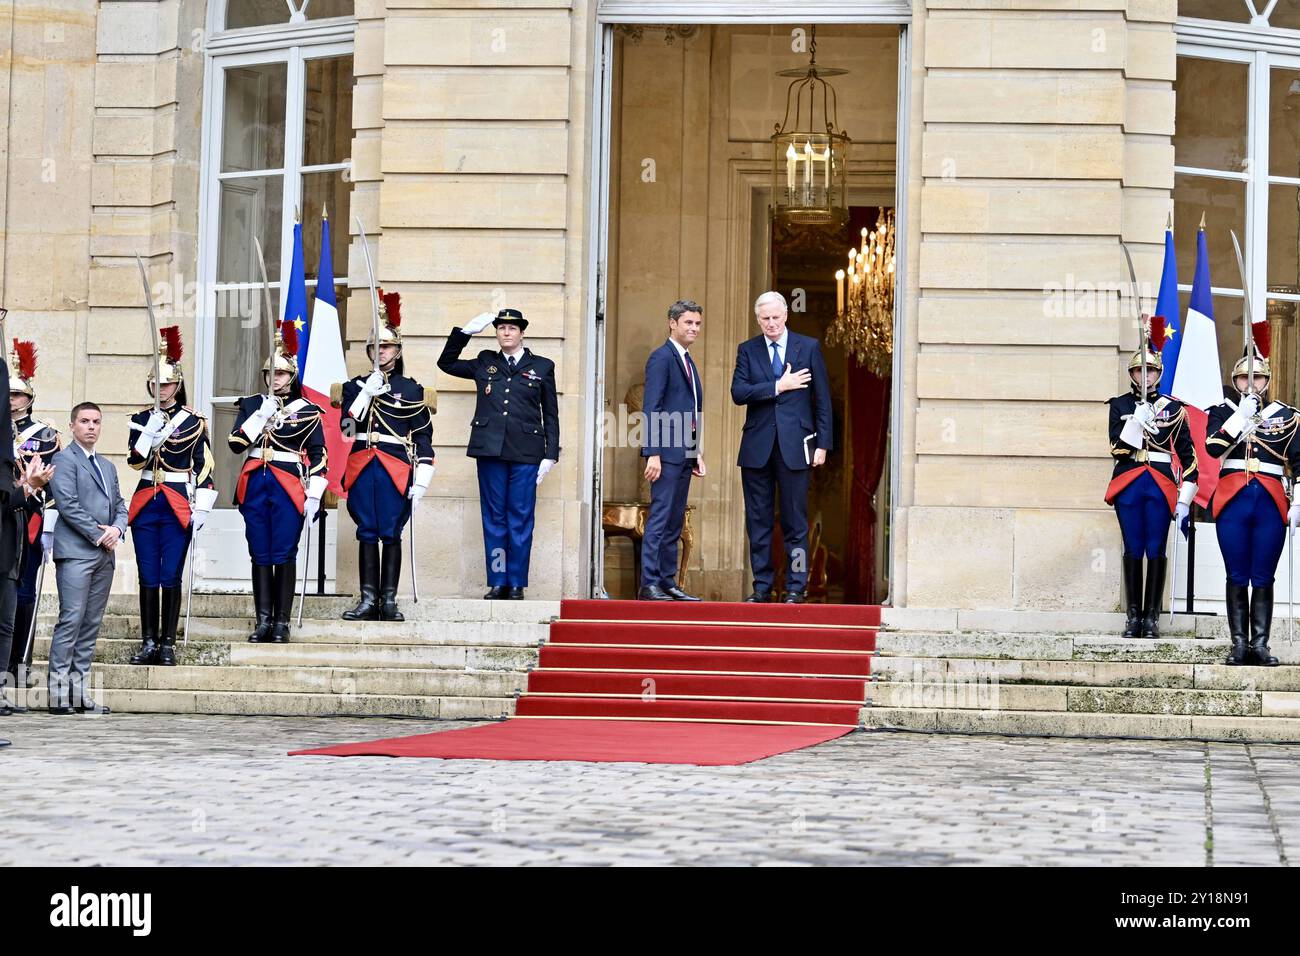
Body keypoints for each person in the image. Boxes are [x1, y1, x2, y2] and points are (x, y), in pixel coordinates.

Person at [438, 308, 559, 599]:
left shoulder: (541, 366)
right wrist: (463, 333)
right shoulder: (485, 362)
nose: (506, 332)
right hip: (490, 450)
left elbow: (550, 413)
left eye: (512, 328)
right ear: (496, 333)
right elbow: (446, 363)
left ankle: (516, 581)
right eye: (501, 327)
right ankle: (498, 578)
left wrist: (550, 454)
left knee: (519, 517)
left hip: (527, 452)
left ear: (521, 333)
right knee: (494, 517)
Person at [335, 291, 434, 619]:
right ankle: (367, 599)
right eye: (376, 347)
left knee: (391, 531)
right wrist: (365, 393)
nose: (381, 352)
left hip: (395, 466)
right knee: (366, 530)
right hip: (363, 464)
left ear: (398, 350)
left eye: (387, 347)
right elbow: (347, 431)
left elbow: (422, 435)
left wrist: (420, 480)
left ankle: (388, 600)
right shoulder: (354, 386)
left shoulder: (411, 389)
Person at [730, 290, 833, 603]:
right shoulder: (747, 350)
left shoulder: (808, 347)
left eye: (776, 317)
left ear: (786, 315)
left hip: (797, 447)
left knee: (795, 523)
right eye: (765, 319)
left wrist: (823, 444)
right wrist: (778, 386)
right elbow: (739, 392)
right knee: (757, 522)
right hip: (757, 448)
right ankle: (761, 586)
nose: (771, 323)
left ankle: (795, 586)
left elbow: (822, 400)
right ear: (758, 320)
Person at [228, 319, 327, 643]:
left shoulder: (307, 410)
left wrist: (314, 493)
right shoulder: (252, 404)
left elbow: (319, 454)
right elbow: (236, 444)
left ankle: (281, 622)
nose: (275, 379)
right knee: (259, 551)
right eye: (270, 374)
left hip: (288, 486)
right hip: (256, 482)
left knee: (284, 552)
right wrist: (259, 416)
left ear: (292, 376)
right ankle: (263, 620)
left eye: (281, 374)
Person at [125, 327, 217, 665]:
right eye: (156, 384)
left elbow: (205, 465)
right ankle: (148, 641)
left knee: (170, 575)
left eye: (167, 384)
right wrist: (148, 434)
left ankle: (168, 644)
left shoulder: (193, 422)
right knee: (148, 573)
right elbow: (135, 462)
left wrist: (203, 506)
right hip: (147, 500)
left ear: (177, 385)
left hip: (177, 500)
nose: (161, 390)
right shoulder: (140, 419)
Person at [1205, 346, 1299, 667]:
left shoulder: (1286, 415)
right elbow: (1212, 446)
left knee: (1263, 575)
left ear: (1267, 380)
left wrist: (1298, 498)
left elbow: (1298, 460)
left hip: (1270, 501)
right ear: (1235, 380)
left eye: (1257, 377)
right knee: (1236, 573)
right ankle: (1239, 644)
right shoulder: (1222, 411)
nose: (1251, 383)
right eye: (1245, 377)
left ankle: (1260, 644)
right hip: (1233, 498)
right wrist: (1239, 417)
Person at [1104, 328, 1198, 640]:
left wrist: (1185, 497)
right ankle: (1133, 618)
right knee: (1133, 548)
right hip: (1129, 480)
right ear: (1132, 373)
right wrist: (1134, 420)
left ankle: (1151, 618)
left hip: (1160, 482)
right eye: (1139, 370)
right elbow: (1117, 448)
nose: (1145, 376)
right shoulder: (1119, 405)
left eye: (1151, 370)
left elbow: (1189, 457)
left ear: (1158, 374)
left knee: (1156, 549)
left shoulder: (1174, 408)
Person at [46, 403, 128, 714]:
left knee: (91, 624)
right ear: (72, 426)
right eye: (84, 421)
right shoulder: (63, 460)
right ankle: (57, 695)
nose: (91, 427)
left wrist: (117, 530)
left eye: (95, 421)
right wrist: (100, 533)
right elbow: (68, 506)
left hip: (104, 555)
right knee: (71, 621)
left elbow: (121, 505)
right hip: (77, 554)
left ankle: (79, 694)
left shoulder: (107, 466)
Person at [637, 299, 705, 601]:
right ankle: (649, 583)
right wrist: (652, 452)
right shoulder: (661, 358)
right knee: (661, 517)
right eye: (688, 322)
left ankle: (667, 581)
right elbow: (652, 407)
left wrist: (695, 452)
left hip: (683, 454)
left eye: (698, 324)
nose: (694, 328)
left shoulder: (688, 361)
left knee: (675, 519)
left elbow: (691, 411)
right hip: (664, 454)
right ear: (672, 323)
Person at [5, 340, 59, 698]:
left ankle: (17, 664)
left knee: (23, 589)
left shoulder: (43, 433)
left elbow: (50, 479)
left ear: (29, 397)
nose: (11, 400)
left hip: (29, 515)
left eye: (17, 395)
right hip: (2, 508)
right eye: (7, 394)